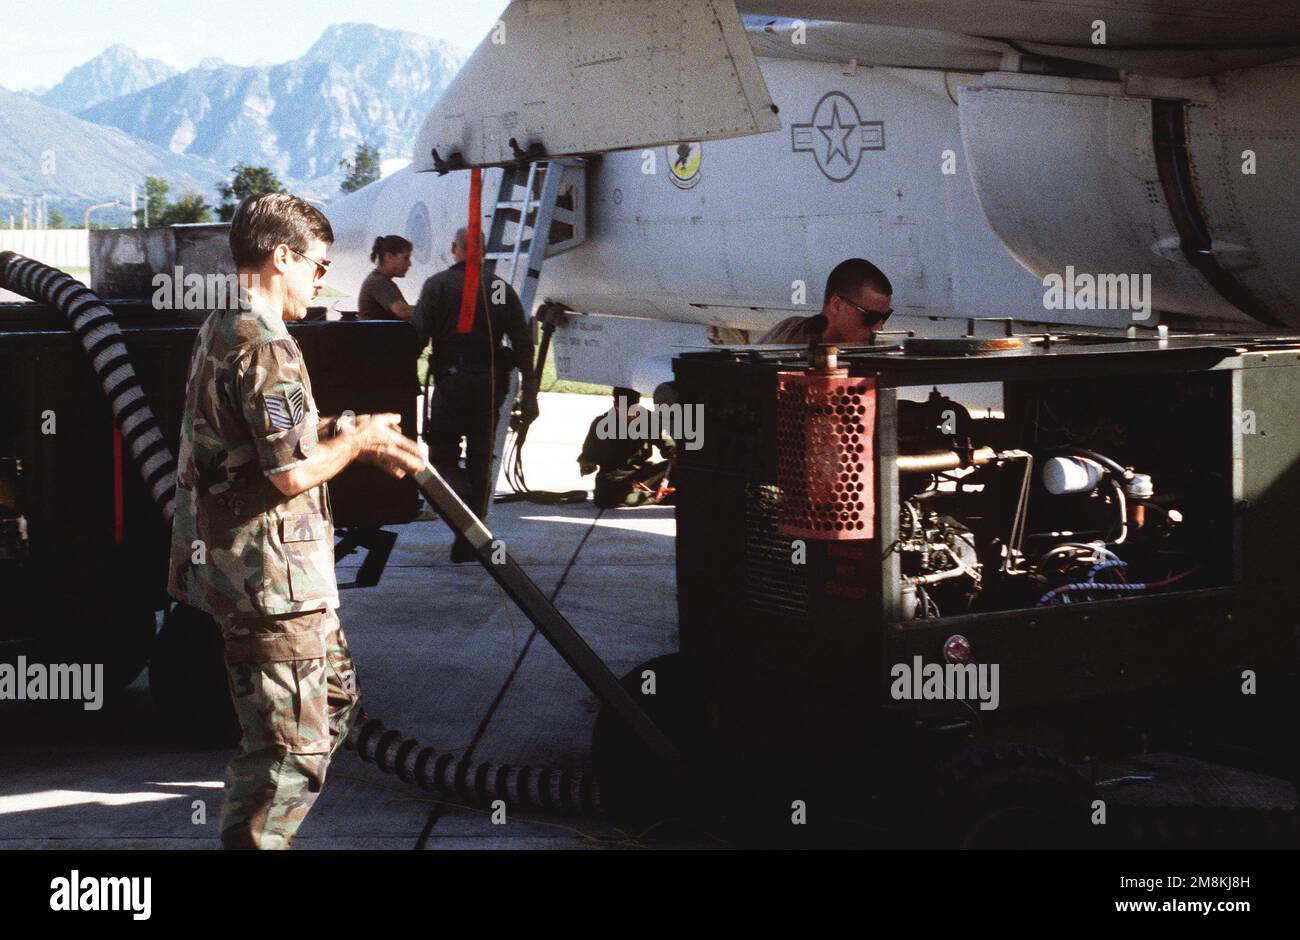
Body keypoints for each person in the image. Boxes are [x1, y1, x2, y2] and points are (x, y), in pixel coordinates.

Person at [167, 193, 425, 849]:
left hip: (263, 575)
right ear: (282, 256)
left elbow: (264, 442)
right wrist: (358, 446)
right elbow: (288, 474)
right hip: (270, 584)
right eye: (315, 264)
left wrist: (346, 429)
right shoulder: (263, 347)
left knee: (332, 704)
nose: (321, 277)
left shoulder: (227, 326)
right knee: (289, 752)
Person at [413, 226, 539, 561]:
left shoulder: (437, 285)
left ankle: (464, 513)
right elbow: (523, 343)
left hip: (452, 383)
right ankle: (474, 533)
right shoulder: (498, 287)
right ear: (482, 252)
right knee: (482, 459)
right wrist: (530, 395)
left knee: (441, 458)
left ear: (454, 249)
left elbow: (417, 337)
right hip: (490, 384)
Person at [578, 387, 677, 509]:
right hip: (615, 477)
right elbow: (589, 458)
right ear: (615, 404)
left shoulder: (648, 419)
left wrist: (673, 452)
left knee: (683, 468)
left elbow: (669, 447)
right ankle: (656, 497)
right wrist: (586, 465)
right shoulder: (601, 423)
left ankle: (644, 493)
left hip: (644, 474)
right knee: (604, 496)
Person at [758, 258, 893, 344]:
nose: (879, 329)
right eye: (871, 317)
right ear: (837, 305)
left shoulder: (862, 348)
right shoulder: (787, 348)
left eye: (884, 317)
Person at [357, 234, 414, 321]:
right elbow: (402, 311)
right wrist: (431, 310)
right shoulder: (378, 282)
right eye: (406, 258)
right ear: (389, 257)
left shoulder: (380, 280)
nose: (410, 264)